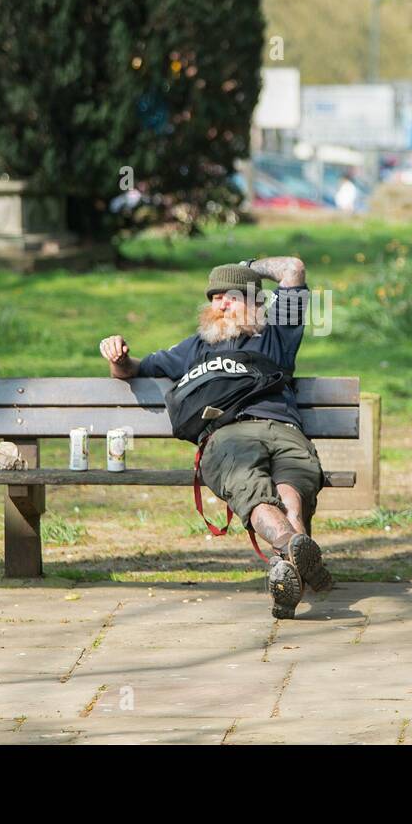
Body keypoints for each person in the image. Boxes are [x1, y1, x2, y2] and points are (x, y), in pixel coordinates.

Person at [98, 257, 334, 619]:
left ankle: (288, 570)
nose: (221, 304)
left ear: (257, 302)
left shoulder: (278, 335)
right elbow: (134, 370)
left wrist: (250, 264)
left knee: (292, 495)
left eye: (232, 297)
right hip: (228, 436)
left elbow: (294, 268)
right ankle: (295, 549)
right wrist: (117, 355)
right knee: (256, 493)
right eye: (215, 297)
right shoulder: (194, 349)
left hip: (285, 431)